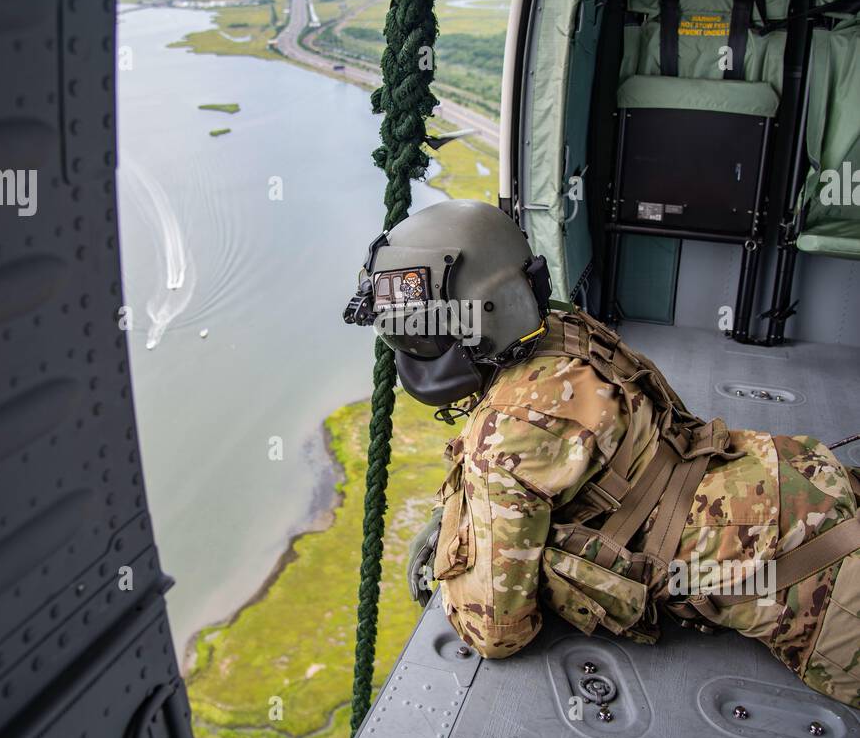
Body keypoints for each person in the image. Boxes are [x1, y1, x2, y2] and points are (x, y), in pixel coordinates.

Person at [344, 200, 860, 709]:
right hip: (800, 480)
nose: (408, 344)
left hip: (819, 590)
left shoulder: (504, 435)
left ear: (481, 314)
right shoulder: (571, 333)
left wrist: (456, 543)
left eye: (417, 328)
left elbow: (495, 631)